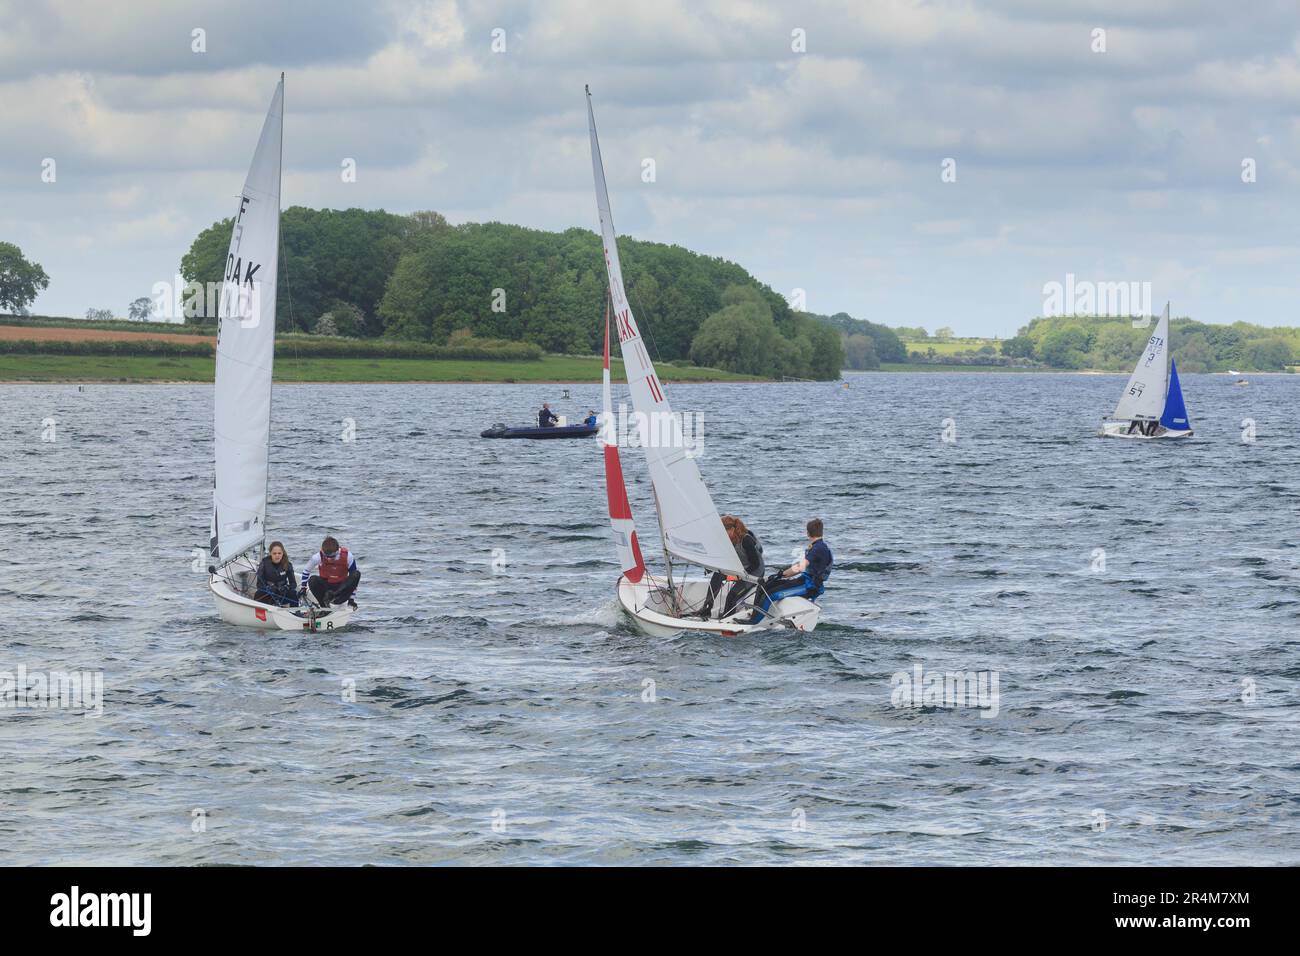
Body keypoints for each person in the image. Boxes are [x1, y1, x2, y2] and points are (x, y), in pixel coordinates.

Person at [741, 518, 832, 625]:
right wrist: (779, 576)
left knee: (770, 594)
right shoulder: (818, 546)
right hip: (803, 580)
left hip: (810, 587)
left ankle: (753, 622)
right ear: (821, 531)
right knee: (765, 586)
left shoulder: (819, 548)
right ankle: (755, 614)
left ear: (808, 533)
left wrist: (782, 574)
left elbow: (800, 567)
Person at [697, 516, 764, 619]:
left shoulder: (746, 540)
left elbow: (755, 564)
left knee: (731, 596)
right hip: (739, 568)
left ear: (732, 529)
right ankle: (706, 609)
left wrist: (740, 576)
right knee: (717, 576)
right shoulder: (728, 540)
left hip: (754, 571)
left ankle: (727, 617)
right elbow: (723, 558)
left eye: (724, 532)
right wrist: (710, 568)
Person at [300, 535, 360, 608]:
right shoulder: (317, 557)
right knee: (312, 579)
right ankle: (324, 607)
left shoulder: (348, 556)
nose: (329, 559)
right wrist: (303, 588)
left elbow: (353, 581)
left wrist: (351, 599)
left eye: (332, 556)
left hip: (341, 592)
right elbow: (306, 571)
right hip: (326, 591)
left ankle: (334, 595)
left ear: (338, 550)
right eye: (327, 556)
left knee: (356, 574)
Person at [254, 540, 298, 607]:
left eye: (279, 553)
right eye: (274, 553)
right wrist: (267, 588)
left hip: (282, 593)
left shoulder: (288, 565)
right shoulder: (264, 563)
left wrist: (287, 587)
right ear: (270, 553)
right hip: (269, 594)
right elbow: (259, 584)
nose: (277, 555)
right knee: (258, 594)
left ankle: (295, 613)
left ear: (282, 553)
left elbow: (293, 584)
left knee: (293, 593)